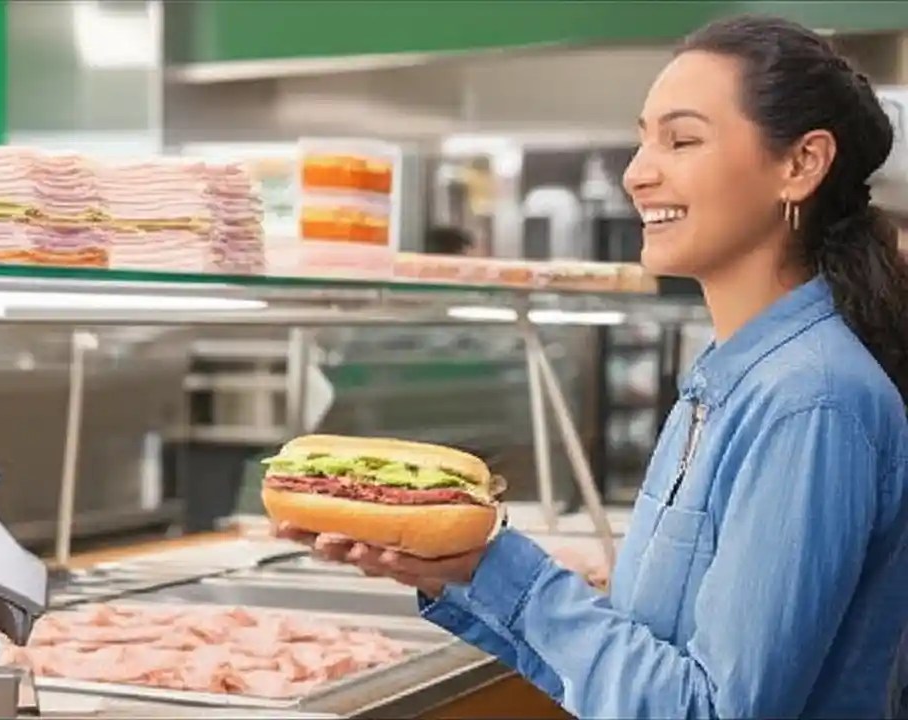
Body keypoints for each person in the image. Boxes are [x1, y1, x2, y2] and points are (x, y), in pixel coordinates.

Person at [274, 15, 908, 718]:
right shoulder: (728, 378)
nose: (638, 173)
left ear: (800, 164)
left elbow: (709, 711)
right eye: (643, 137)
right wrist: (465, 569)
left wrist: (502, 571)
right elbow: (647, 662)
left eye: (682, 139)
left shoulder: (808, 400)